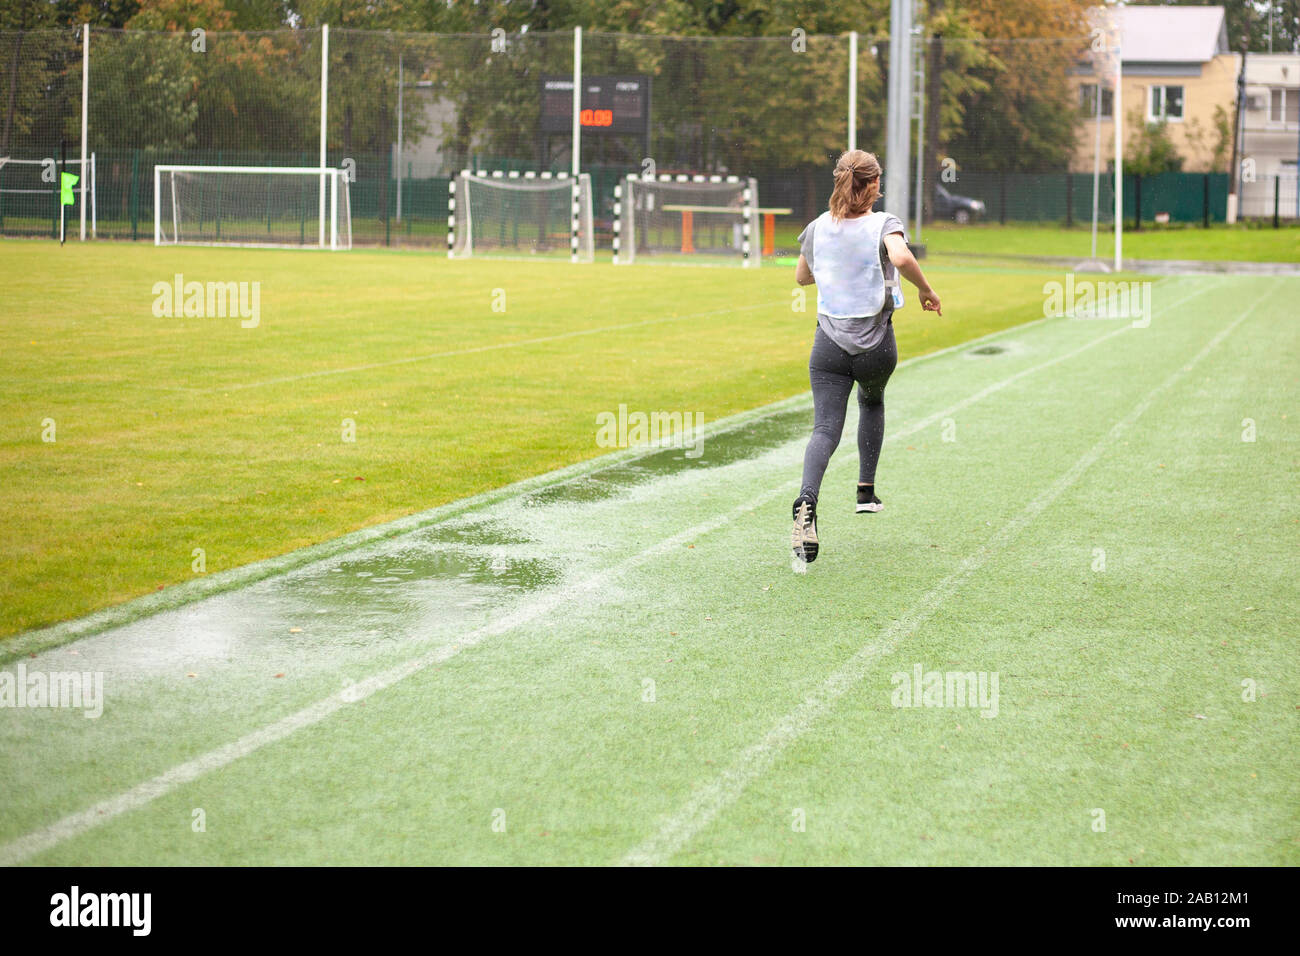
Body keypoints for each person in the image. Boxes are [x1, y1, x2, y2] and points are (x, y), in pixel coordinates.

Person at [791, 150, 942, 562]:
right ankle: (865, 491)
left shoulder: (818, 227)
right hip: (875, 345)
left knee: (824, 429)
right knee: (871, 400)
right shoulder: (884, 223)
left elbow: (802, 276)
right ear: (873, 185)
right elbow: (903, 257)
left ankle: (807, 501)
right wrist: (926, 291)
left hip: (828, 346)